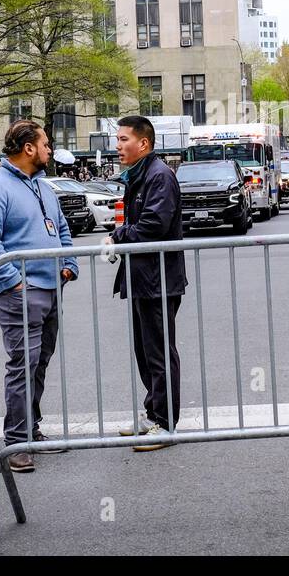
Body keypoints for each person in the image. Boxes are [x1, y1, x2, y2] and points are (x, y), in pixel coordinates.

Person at [0, 120, 78, 472]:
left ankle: (30, 431)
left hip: (50, 290)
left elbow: (61, 227)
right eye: (45, 144)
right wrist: (14, 282)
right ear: (29, 148)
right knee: (23, 365)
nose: (50, 149)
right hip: (20, 293)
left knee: (38, 363)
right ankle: (16, 442)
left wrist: (68, 264)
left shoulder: (42, 186)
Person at [105, 115, 186, 451]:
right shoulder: (140, 176)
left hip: (159, 279)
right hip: (144, 277)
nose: (118, 145)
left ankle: (165, 424)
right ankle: (154, 415)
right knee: (145, 350)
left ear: (144, 143)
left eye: (124, 139)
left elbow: (154, 224)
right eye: (118, 139)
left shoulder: (159, 176)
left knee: (158, 352)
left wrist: (117, 237)